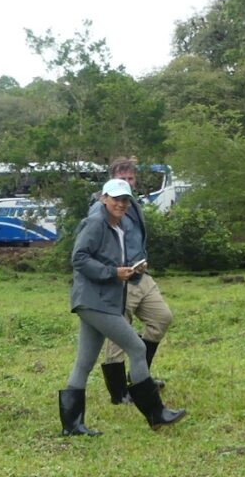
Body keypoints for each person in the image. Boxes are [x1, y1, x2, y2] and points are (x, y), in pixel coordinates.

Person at [59, 178, 185, 435]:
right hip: (95, 301)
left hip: (100, 299)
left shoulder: (118, 228)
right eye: (115, 198)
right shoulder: (95, 223)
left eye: (125, 199)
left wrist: (132, 268)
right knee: (137, 348)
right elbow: (79, 258)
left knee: (84, 362)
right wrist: (113, 272)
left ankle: (72, 426)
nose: (121, 204)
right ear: (104, 198)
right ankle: (155, 413)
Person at [93, 157, 173, 404]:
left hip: (141, 275)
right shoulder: (100, 208)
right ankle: (119, 394)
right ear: (110, 182)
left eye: (130, 178)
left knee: (161, 318)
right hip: (118, 279)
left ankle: (139, 376)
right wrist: (111, 270)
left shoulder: (133, 204)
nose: (127, 183)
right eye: (121, 179)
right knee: (118, 338)